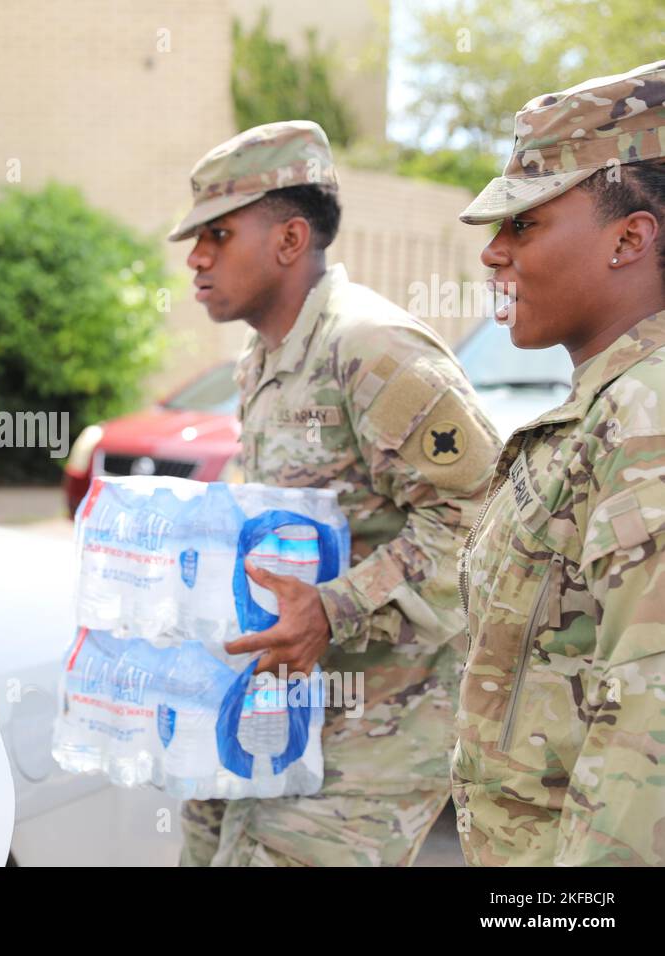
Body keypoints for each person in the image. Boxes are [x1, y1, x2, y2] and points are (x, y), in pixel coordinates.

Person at [171, 120, 501, 866]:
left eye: (217, 234)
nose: (195, 258)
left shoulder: (374, 348)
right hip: (275, 703)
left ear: (290, 240)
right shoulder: (267, 356)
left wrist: (335, 607)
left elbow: (483, 519)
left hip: (379, 723)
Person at [453, 60, 665, 866]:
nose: (493, 256)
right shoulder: (607, 408)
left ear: (630, 237)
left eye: (525, 225)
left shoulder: (649, 417)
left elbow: (648, 733)